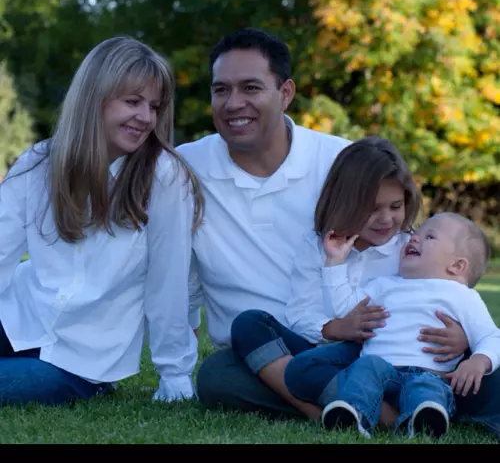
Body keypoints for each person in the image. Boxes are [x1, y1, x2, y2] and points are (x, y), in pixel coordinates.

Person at [177, 28, 466, 421]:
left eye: (250, 87)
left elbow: (424, 262)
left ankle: (374, 402)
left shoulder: (342, 159)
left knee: (476, 370)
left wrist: (464, 336)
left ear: (286, 93)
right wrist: (171, 368)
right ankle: (371, 411)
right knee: (217, 376)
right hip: (275, 352)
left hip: (380, 346)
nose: (234, 103)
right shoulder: (183, 169)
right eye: (221, 90)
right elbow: (176, 275)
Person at [0, 36, 203, 406]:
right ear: (94, 98)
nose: (145, 117)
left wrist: (174, 374)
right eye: (132, 101)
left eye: (153, 106)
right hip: (18, 320)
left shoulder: (165, 178)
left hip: (82, 359)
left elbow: (168, 284)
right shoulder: (38, 163)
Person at [230, 136, 466, 422]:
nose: (386, 219)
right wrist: (336, 329)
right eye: (373, 208)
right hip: (328, 356)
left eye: (395, 206)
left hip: (393, 362)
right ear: (345, 201)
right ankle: (363, 414)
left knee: (480, 372)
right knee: (249, 325)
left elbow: (452, 297)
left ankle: (358, 407)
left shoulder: (411, 249)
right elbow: (301, 314)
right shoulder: (316, 248)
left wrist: (462, 337)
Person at [284, 212, 499, 439]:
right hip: (381, 368)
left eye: (430, 237)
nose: (414, 238)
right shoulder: (384, 286)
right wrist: (335, 263)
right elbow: (345, 307)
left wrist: (479, 360)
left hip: (430, 373)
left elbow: (491, 336)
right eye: (416, 233)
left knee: (427, 389)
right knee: (364, 369)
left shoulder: (462, 296)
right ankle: (352, 414)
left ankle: (424, 421)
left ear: (457, 266)